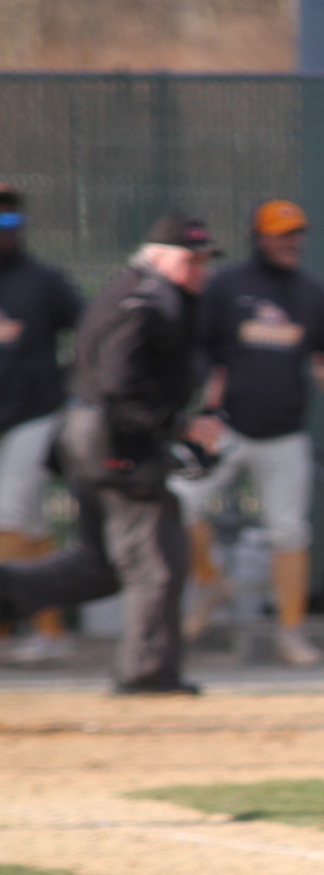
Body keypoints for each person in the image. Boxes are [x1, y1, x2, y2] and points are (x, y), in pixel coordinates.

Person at [0, 214, 223, 694]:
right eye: (190, 259)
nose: (199, 269)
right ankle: (149, 672)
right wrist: (181, 426)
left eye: (203, 260)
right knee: (155, 563)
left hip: (90, 436)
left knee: (100, 565)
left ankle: (6, 593)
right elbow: (119, 383)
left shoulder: (135, 292)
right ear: (158, 256)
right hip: (113, 441)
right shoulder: (144, 300)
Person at [178, 199, 324, 667]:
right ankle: (210, 580)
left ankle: (291, 632)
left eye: (297, 233)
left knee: (289, 532)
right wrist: (206, 387)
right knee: (181, 499)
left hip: (285, 433)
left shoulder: (313, 294)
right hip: (226, 425)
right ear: (259, 237)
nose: (292, 241)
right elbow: (197, 344)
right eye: (282, 233)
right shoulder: (228, 286)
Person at [0, 184, 84, 664]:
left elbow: (89, 329)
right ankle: (50, 632)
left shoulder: (42, 280)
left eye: (11, 223)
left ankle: (8, 625)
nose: (6, 232)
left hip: (33, 413)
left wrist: (68, 384)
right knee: (30, 525)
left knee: (10, 516)